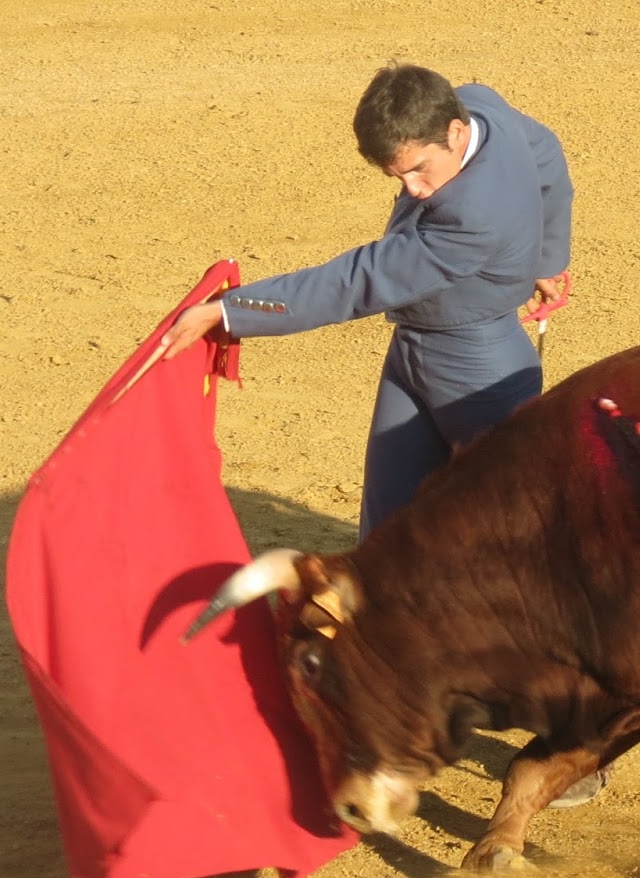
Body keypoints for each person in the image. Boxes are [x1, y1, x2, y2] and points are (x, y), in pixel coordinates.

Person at [161, 62, 574, 541]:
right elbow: (546, 154)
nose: (413, 191)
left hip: (477, 367)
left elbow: (358, 282)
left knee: (506, 535)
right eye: (398, 176)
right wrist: (547, 259)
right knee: (385, 530)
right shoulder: (480, 105)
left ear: (456, 133)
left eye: (418, 169)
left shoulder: (473, 218)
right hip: (418, 352)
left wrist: (232, 310)